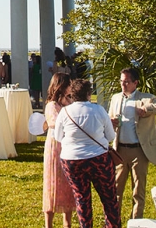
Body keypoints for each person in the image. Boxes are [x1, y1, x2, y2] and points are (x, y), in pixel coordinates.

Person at [53, 78, 121, 228]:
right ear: (89, 94)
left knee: (82, 199)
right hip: (99, 158)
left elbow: (58, 137)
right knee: (109, 199)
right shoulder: (98, 110)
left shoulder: (65, 112)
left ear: (72, 94)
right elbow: (110, 136)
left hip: (72, 160)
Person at [108, 68, 156, 220]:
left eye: (127, 82)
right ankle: (113, 221)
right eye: (121, 81)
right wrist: (111, 123)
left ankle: (136, 221)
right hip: (120, 149)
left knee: (138, 190)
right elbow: (109, 118)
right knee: (116, 189)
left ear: (135, 83)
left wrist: (147, 109)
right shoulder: (116, 98)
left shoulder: (146, 98)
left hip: (139, 150)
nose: (123, 84)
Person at [43, 73, 75, 228]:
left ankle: (67, 223)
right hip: (55, 147)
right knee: (53, 183)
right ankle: (48, 224)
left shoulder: (69, 102)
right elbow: (55, 124)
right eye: (69, 84)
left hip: (69, 146)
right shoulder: (52, 105)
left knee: (68, 184)